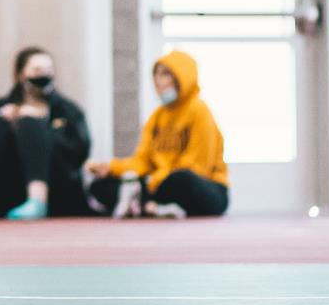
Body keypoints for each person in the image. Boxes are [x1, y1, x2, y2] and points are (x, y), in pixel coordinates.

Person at [84, 50, 229, 218]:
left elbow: (198, 166)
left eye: (165, 74)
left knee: (182, 179)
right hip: (159, 183)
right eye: (156, 75)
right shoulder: (157, 117)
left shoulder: (199, 111)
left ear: (183, 76)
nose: (158, 81)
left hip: (202, 186)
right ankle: (153, 206)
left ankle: (144, 204)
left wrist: (154, 181)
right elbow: (142, 161)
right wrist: (111, 168)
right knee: (101, 185)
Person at [0, 47, 95, 220]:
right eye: (37, 70)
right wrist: (13, 123)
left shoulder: (69, 110)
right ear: (21, 74)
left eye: (49, 70)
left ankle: (37, 200)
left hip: (56, 181)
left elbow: (80, 151)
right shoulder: (1, 105)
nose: (44, 75)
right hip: (12, 180)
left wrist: (41, 125)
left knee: (29, 122)